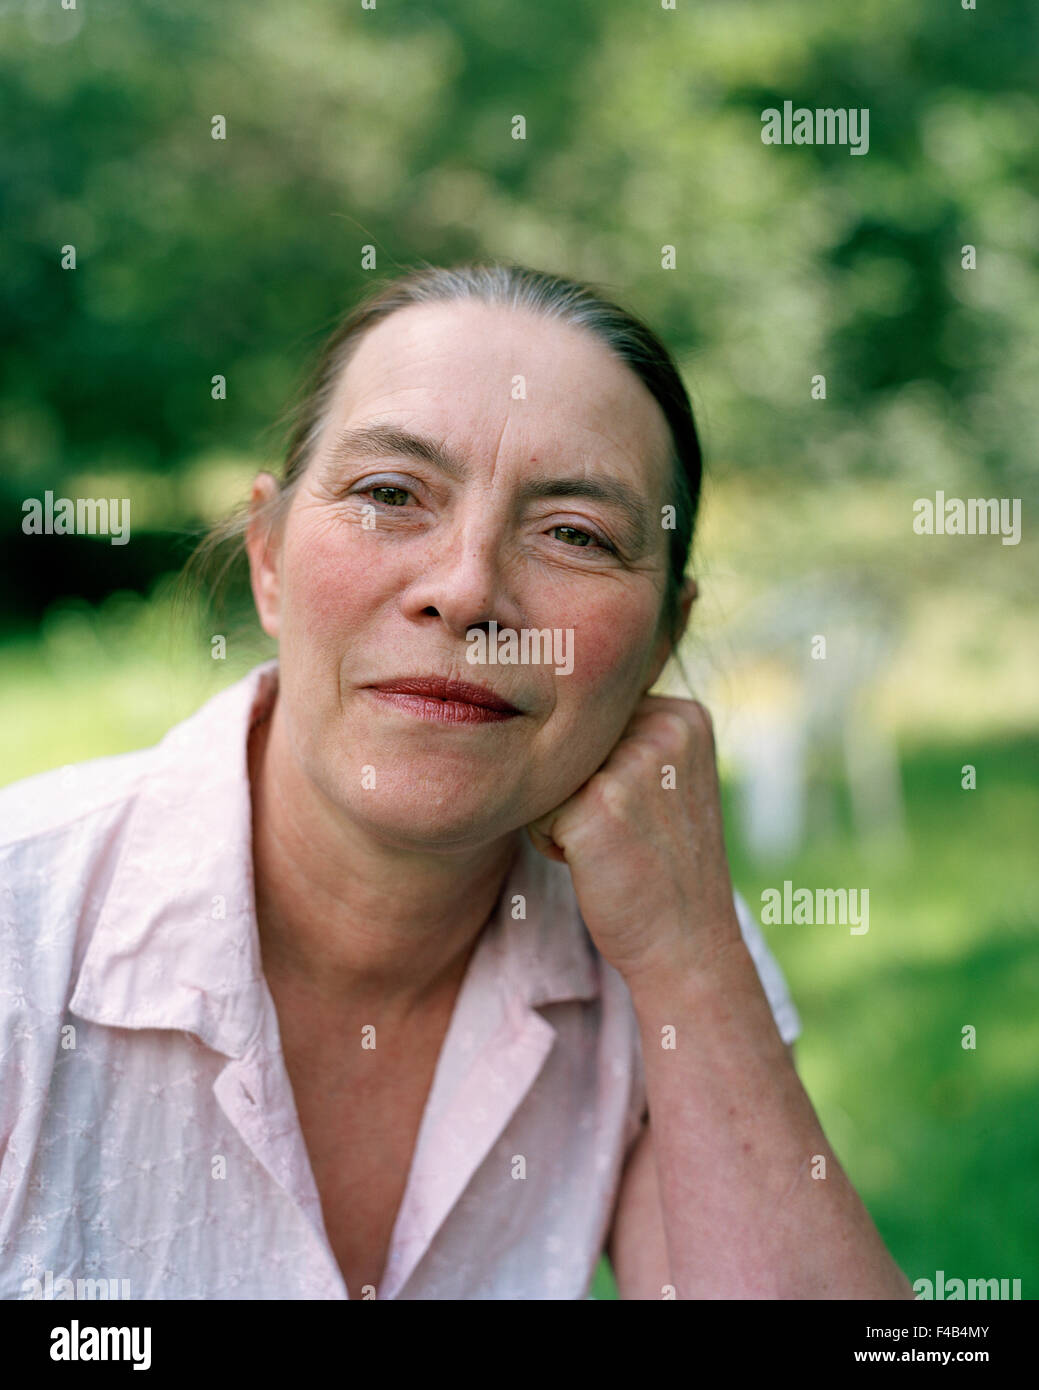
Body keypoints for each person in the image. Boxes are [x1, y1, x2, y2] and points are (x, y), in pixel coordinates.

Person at [0, 262, 913, 1300]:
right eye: (390, 495)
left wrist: (694, 960)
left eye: (575, 534)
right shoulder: (20, 925)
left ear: (664, 638)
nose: (468, 588)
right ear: (267, 559)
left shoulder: (659, 944)